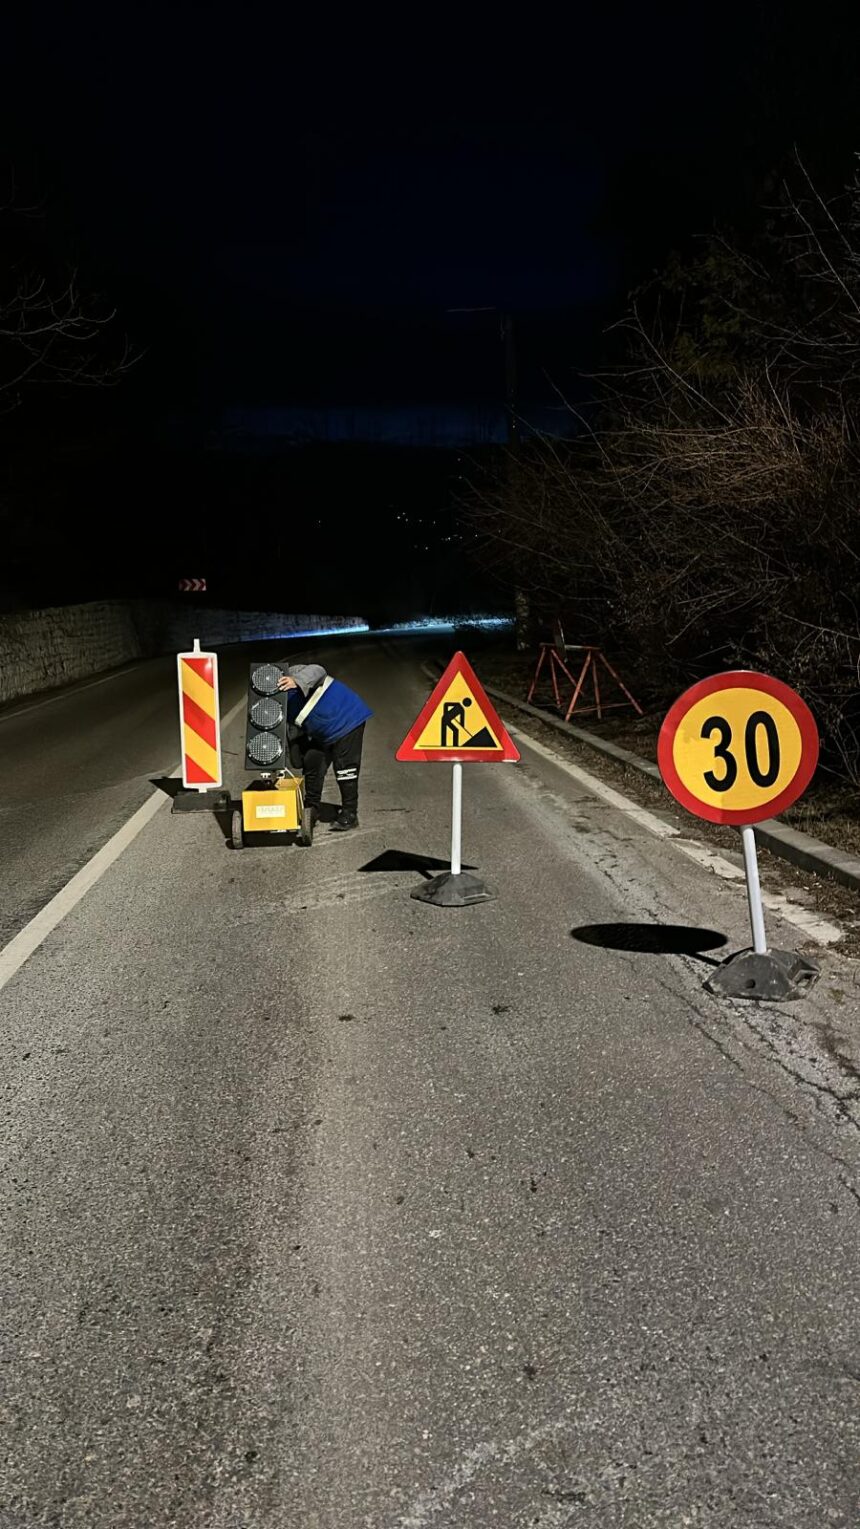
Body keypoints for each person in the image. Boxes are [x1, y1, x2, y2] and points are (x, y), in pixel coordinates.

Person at [276, 662, 372, 844]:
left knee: (345, 768)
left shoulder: (291, 674)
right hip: (322, 731)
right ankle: (311, 808)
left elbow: (318, 670)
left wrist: (296, 681)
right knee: (312, 761)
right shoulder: (275, 706)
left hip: (347, 718)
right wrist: (296, 756)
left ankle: (350, 814)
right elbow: (292, 730)